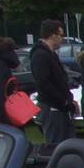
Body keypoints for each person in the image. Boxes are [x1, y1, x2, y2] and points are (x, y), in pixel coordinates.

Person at [30, 18, 76, 148]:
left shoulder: (51, 54)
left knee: (69, 144)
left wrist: (69, 100)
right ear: (52, 35)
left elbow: (60, 81)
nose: (62, 39)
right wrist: (63, 101)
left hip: (60, 108)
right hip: (52, 108)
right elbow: (43, 83)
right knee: (55, 146)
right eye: (61, 35)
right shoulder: (40, 55)